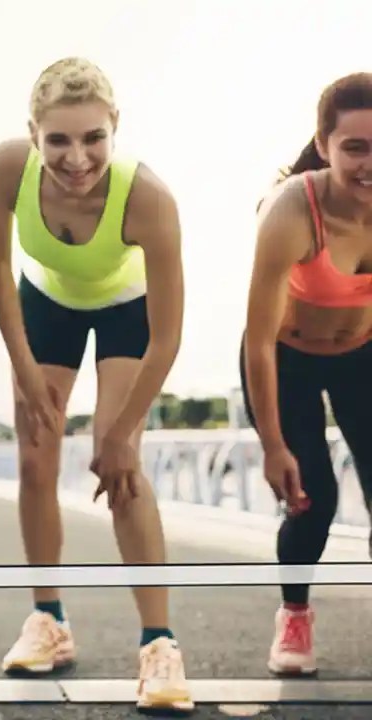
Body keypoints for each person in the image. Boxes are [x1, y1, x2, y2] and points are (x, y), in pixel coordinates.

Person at [0, 57, 192, 713]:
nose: (77, 158)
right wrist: (23, 370)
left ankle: (159, 643)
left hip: (126, 309)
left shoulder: (149, 199)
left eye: (93, 138)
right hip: (45, 303)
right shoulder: (9, 167)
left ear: (115, 128)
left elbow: (166, 337)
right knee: (34, 455)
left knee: (120, 464)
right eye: (59, 141)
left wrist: (125, 432)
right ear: (33, 134)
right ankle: (49, 622)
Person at [241, 71, 372, 678]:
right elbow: (260, 340)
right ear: (324, 145)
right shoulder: (292, 209)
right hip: (286, 357)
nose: (370, 163)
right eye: (356, 147)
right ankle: (294, 613)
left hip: (362, 355)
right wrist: (272, 446)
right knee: (310, 497)